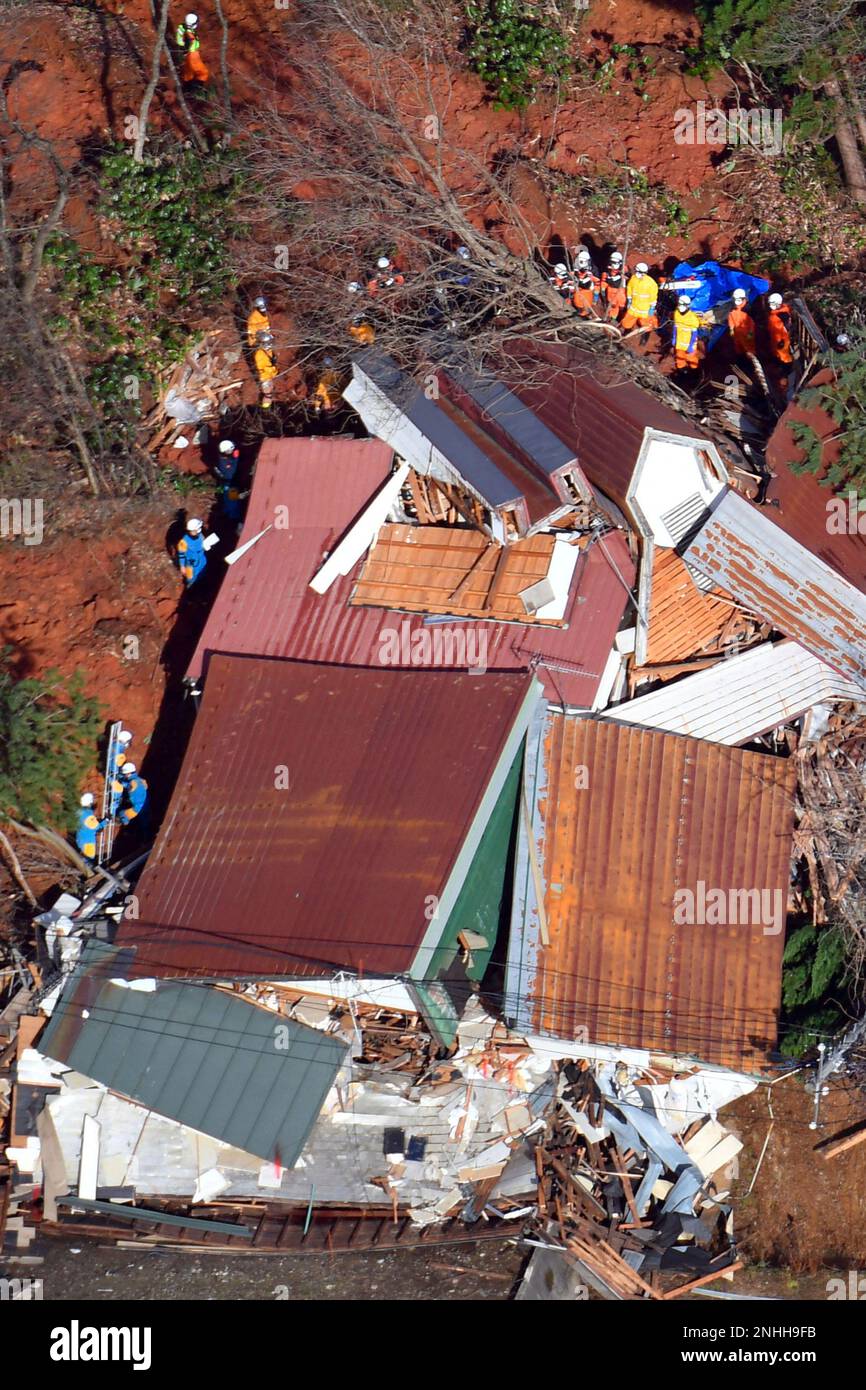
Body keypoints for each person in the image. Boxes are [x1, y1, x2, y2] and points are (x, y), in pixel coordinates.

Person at [671, 294, 710, 372]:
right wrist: (674, 338)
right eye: (680, 304)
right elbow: (675, 327)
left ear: (688, 306)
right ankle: (682, 369)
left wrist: (691, 345)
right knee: (679, 356)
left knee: (691, 357)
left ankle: (694, 370)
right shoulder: (676, 314)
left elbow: (694, 334)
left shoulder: (692, 318)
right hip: (679, 342)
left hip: (688, 343)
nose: (681, 307)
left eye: (683, 305)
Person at [621, 262, 658, 332]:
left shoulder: (651, 283)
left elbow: (653, 296)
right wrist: (629, 299)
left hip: (645, 309)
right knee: (627, 322)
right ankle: (627, 331)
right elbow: (629, 287)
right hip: (634, 306)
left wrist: (652, 307)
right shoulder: (633, 278)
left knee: (646, 325)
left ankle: (645, 337)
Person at [175, 12, 209, 84]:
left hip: (185, 53)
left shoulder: (181, 28)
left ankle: (186, 84)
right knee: (203, 73)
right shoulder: (190, 36)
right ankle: (196, 88)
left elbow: (180, 41)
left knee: (188, 72)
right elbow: (189, 44)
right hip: (192, 54)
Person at [215, 439, 243, 521]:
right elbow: (229, 475)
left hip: (231, 482)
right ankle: (233, 518)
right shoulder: (223, 463)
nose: (232, 450)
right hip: (230, 483)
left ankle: (227, 512)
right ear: (224, 451)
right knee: (232, 500)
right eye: (230, 450)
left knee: (228, 499)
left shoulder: (229, 454)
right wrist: (236, 459)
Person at [176, 517, 208, 587]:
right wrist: (182, 566)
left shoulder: (200, 536)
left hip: (202, 561)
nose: (195, 532)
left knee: (202, 575)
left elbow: (203, 544)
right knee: (191, 579)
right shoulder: (184, 541)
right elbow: (181, 554)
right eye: (193, 531)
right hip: (191, 564)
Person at [75, 794, 106, 862]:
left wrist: (98, 820)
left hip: (80, 839)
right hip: (88, 842)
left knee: (81, 858)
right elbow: (98, 828)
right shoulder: (88, 816)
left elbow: (87, 824)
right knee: (87, 861)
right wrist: (106, 821)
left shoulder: (79, 812)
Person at [727, 287, 756, 357]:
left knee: (749, 347)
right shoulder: (732, 309)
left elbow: (752, 323)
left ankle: (751, 358)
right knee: (738, 345)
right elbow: (730, 318)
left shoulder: (747, 310)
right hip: (737, 332)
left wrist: (751, 332)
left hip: (746, 333)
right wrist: (731, 329)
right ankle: (740, 356)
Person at [117, 764, 148, 828]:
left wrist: (119, 782)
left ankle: (125, 823)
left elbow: (127, 785)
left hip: (137, 808)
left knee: (121, 813)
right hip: (142, 801)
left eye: (125, 774)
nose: (124, 775)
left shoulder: (133, 783)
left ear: (128, 773)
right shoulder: (138, 779)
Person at [767, 292, 793, 367]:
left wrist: (779, 342)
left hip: (780, 342)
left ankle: (786, 368)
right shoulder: (783, 312)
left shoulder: (777, 317)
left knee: (783, 357)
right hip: (781, 341)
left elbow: (779, 330)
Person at [600, 251, 627, 322]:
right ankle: (613, 318)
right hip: (611, 290)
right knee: (613, 305)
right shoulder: (608, 270)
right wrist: (603, 288)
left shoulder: (624, 270)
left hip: (620, 290)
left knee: (622, 306)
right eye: (612, 262)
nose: (613, 265)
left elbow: (626, 279)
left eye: (615, 263)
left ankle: (620, 317)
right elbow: (605, 279)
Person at [253, 330, 278, 408]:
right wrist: (273, 369)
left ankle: (267, 405)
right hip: (264, 376)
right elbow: (262, 368)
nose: (270, 344)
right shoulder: (259, 354)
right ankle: (265, 406)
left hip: (269, 375)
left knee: (270, 391)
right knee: (267, 394)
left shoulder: (268, 350)